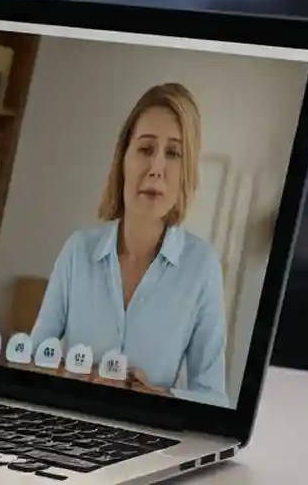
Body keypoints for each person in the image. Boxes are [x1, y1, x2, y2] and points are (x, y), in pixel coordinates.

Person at [29, 83, 229, 407]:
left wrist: (158, 397)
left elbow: (213, 396)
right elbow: (34, 360)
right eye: (146, 149)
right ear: (124, 158)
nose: (156, 169)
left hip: (147, 436)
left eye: (174, 153)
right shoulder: (78, 250)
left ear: (186, 171)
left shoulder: (202, 267)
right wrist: (79, 379)